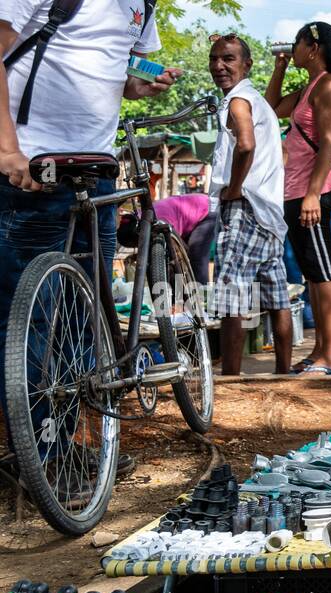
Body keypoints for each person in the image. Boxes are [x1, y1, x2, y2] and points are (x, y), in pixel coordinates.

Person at [0, 0, 177, 460]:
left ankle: (69, 447)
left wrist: (145, 83)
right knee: (29, 319)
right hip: (32, 172)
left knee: (84, 318)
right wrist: (7, 151)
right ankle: (39, 455)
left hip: (96, 171)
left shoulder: (143, 3)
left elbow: (123, 79)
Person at [266, 20, 331, 375]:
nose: (293, 49)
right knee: (314, 274)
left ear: (313, 48)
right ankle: (319, 353)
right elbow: (269, 109)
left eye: (297, 45)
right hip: (296, 190)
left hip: (313, 193)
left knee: (325, 271)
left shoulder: (329, 86)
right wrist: (280, 69)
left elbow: (329, 143)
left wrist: (313, 195)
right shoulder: (308, 88)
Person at [207, 34, 292, 376]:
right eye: (214, 59)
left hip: (244, 208)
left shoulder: (239, 101)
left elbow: (245, 145)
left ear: (246, 64)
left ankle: (229, 378)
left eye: (227, 59)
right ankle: (284, 374)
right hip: (270, 212)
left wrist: (234, 189)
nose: (218, 66)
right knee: (277, 297)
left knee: (232, 299)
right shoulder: (259, 102)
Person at [119, 192, 218, 283]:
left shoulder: (160, 221)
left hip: (206, 211)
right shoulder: (140, 219)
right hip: (189, 216)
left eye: (136, 244)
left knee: (196, 256)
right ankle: (183, 295)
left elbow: (177, 249)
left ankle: (202, 297)